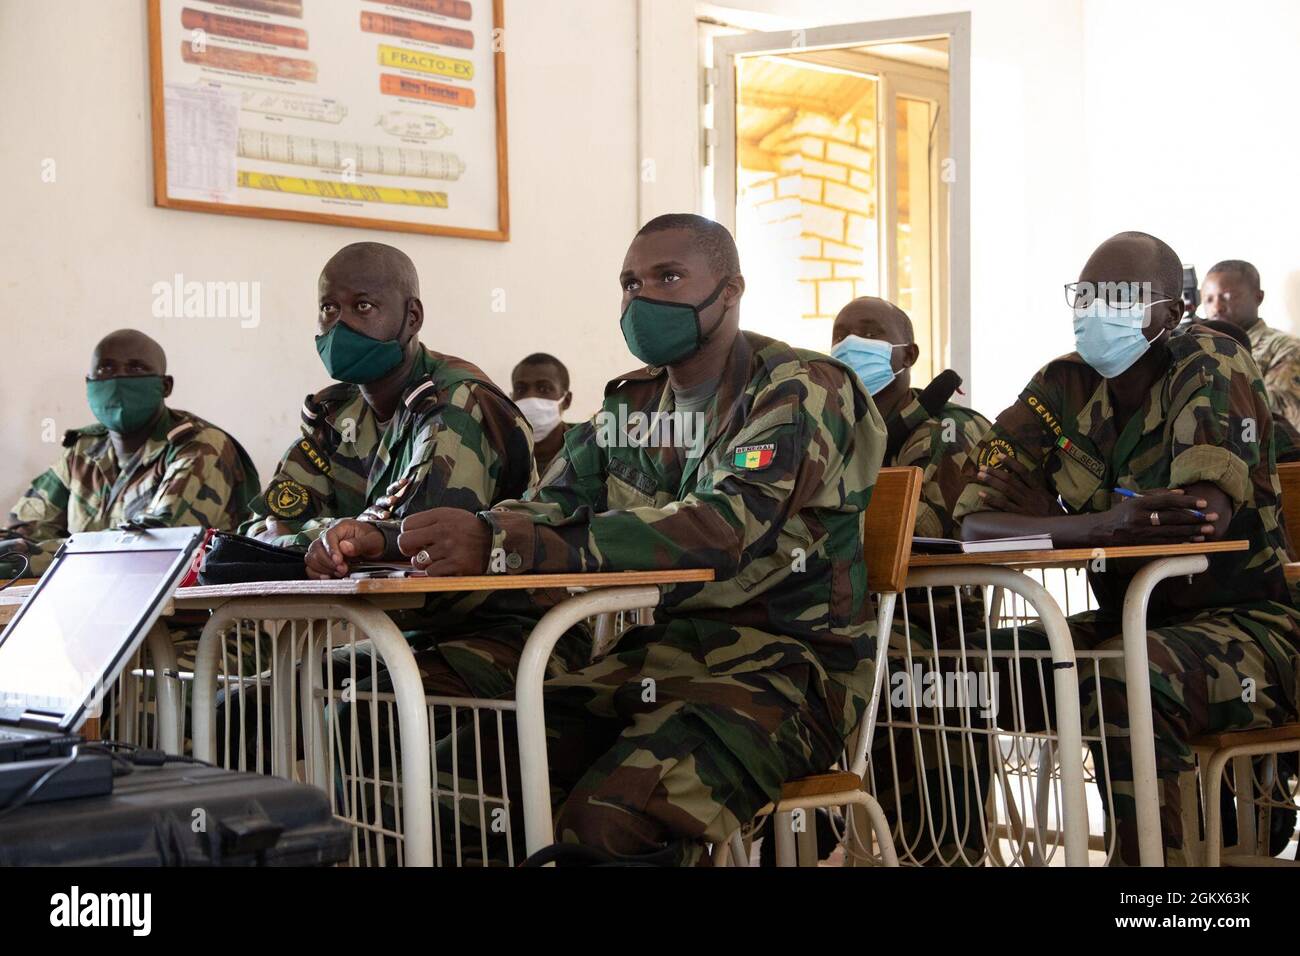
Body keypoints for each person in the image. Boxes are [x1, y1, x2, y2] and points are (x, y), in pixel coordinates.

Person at [388, 214, 887, 864]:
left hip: (787, 676)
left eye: (668, 277)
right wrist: (418, 539)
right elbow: (545, 510)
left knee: (607, 823)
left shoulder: (800, 390)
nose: (641, 298)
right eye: (629, 283)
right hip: (661, 661)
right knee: (457, 770)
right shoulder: (632, 410)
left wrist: (504, 542)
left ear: (731, 291)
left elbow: (719, 529)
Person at [955, 231, 1300, 866]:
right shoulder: (1062, 386)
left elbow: (1200, 518)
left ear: (1173, 311)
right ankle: (961, 854)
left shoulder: (1211, 360)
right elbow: (976, 526)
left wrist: (1057, 518)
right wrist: (1102, 523)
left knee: (1126, 673)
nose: (1095, 309)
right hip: (1129, 620)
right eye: (1085, 295)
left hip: (1252, 627)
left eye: (1120, 296)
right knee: (966, 668)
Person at [242, 241, 563, 701]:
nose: (341, 323)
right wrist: (325, 540)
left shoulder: (455, 401)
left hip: (505, 634)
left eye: (363, 306)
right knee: (252, 704)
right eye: (329, 308)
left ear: (412, 318)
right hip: (409, 638)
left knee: (353, 722)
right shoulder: (336, 412)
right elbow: (261, 531)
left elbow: (415, 546)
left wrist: (323, 539)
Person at [1, 329, 259, 576]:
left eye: (136, 368)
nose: (118, 381)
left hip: (186, 614)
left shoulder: (200, 446)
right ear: (89, 384)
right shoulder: (85, 450)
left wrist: (28, 557)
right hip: (92, 601)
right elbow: (23, 532)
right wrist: (15, 551)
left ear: (165, 386)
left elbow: (156, 546)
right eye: (106, 369)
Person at [830, 296, 989, 539]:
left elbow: (918, 531)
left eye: (870, 335)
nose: (850, 345)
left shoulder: (944, 431)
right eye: (840, 337)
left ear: (909, 355)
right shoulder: (831, 429)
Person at [1201, 260, 1300, 434]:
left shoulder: (1285, 349)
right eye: (1208, 299)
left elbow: (1283, 414)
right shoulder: (1200, 348)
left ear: (1258, 297)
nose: (1216, 307)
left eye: (1227, 297)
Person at [510, 353, 573, 477]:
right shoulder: (495, 451)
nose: (530, 397)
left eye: (544, 389)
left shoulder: (589, 448)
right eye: (520, 390)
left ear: (566, 400)